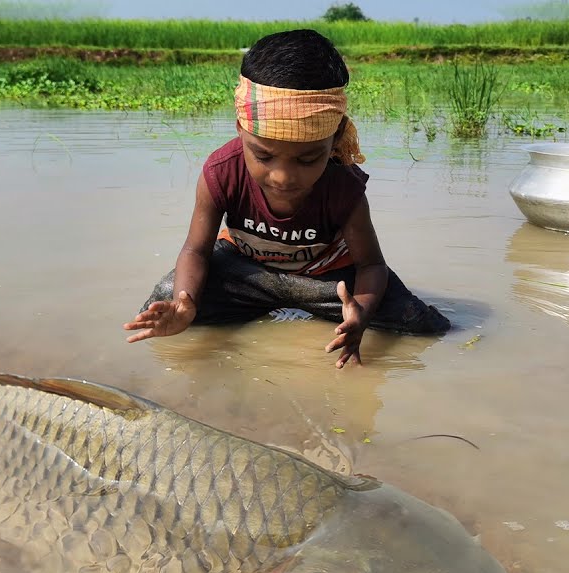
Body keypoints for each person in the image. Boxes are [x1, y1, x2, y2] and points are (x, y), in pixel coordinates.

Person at [122, 29, 450, 368]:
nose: (282, 177)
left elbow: (371, 265)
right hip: (247, 274)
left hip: (326, 282)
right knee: (164, 301)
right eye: (263, 156)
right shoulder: (221, 172)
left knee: (422, 325)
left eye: (307, 160)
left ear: (334, 138)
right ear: (240, 128)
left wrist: (360, 315)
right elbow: (195, 250)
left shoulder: (343, 185)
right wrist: (184, 302)